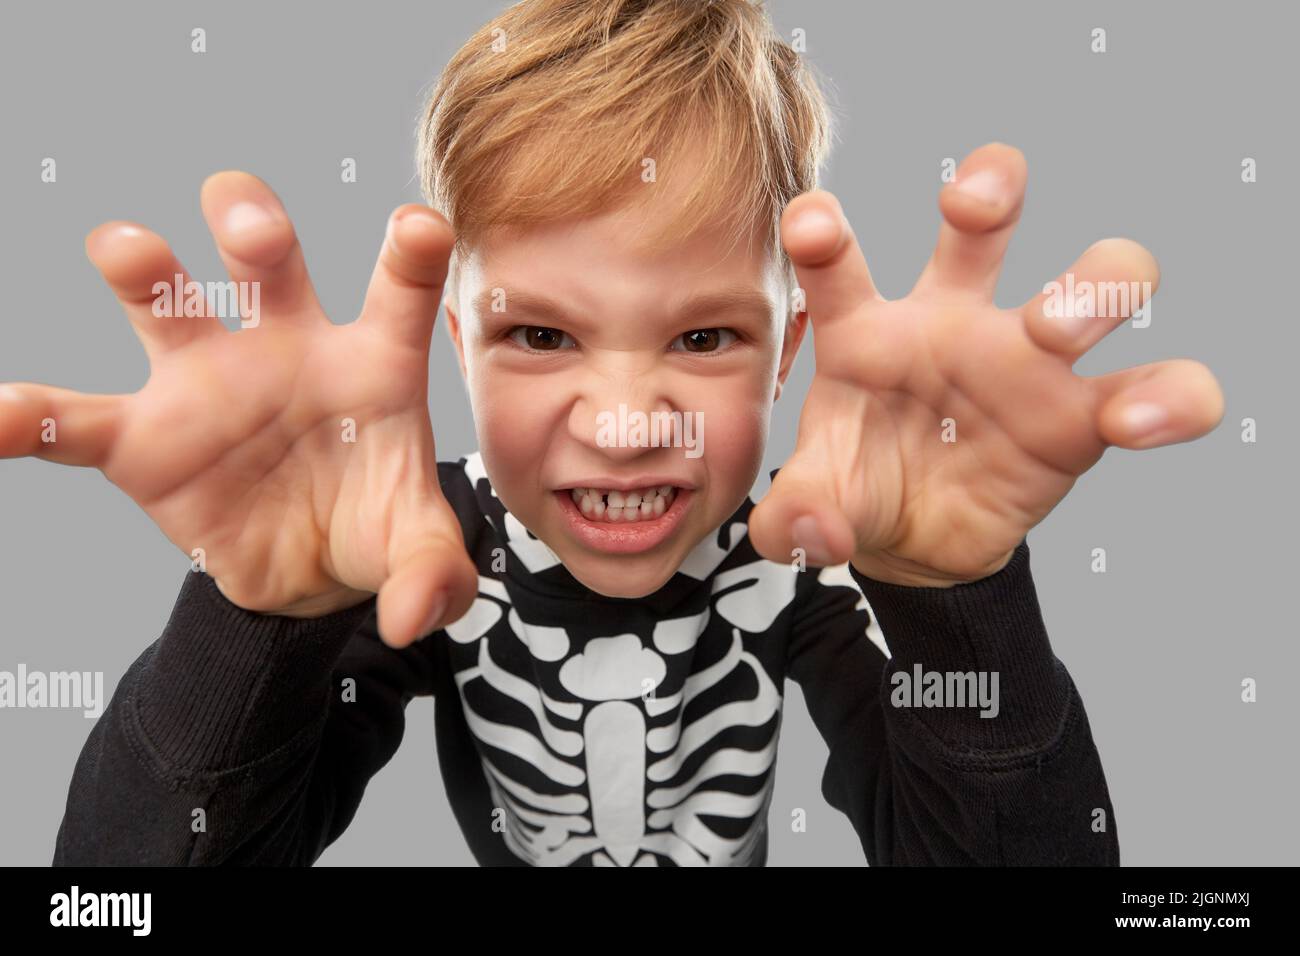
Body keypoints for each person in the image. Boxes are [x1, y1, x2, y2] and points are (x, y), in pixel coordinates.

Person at [4, 0, 1221, 866]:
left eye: (704, 338)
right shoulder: (419, 548)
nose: (629, 422)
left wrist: (956, 592)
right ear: (453, 345)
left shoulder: (812, 550)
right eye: (539, 335)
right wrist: (254, 613)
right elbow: (103, 903)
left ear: (792, 348)